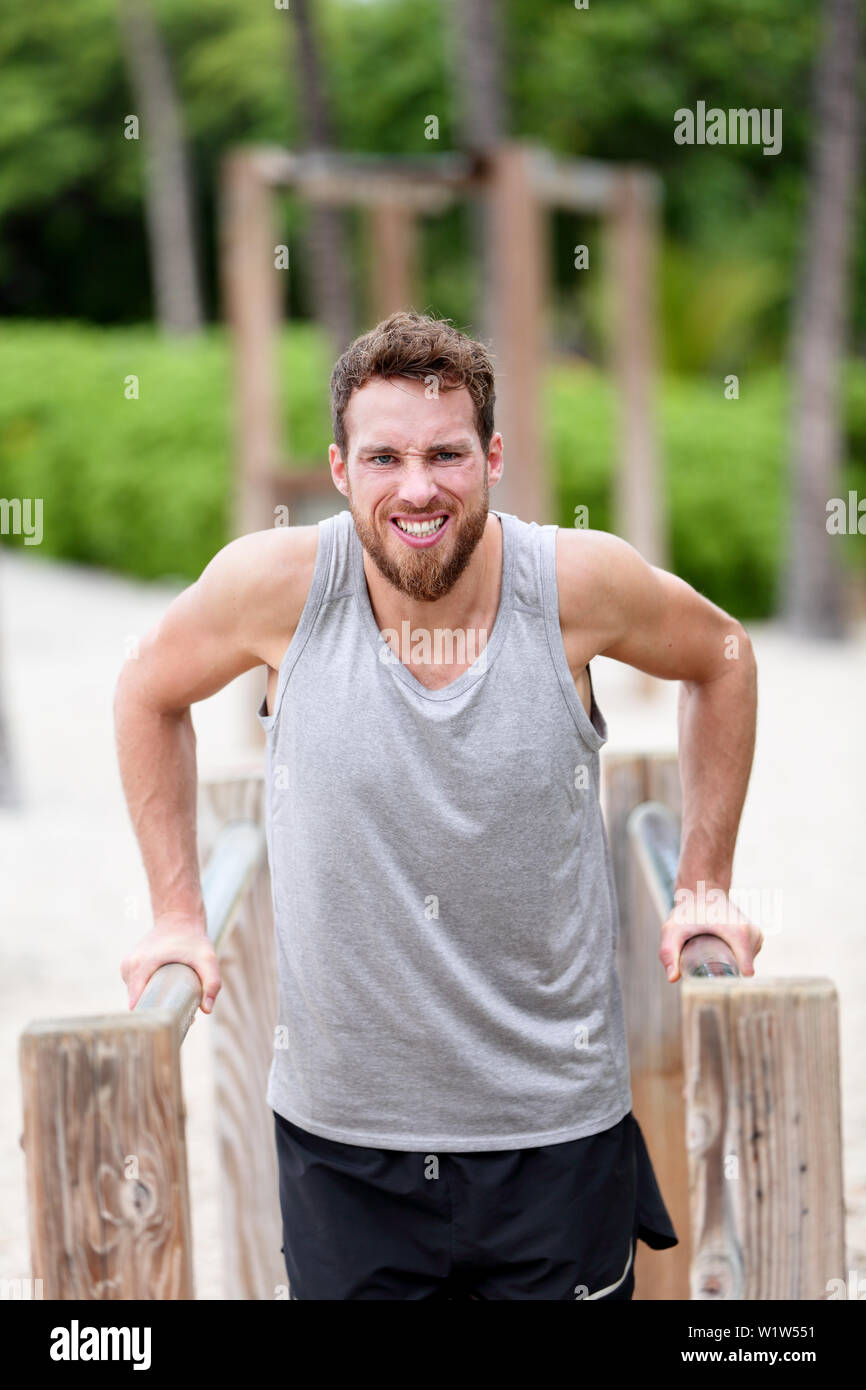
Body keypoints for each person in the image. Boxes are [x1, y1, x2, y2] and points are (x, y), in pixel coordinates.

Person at [115, 310, 761, 1300]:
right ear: (338, 469)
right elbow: (147, 693)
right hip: (344, 1149)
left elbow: (722, 659)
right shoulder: (279, 588)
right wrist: (175, 914)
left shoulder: (571, 584)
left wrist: (703, 882)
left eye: (445, 454)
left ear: (492, 456)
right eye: (383, 457)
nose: (417, 488)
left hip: (553, 1137)